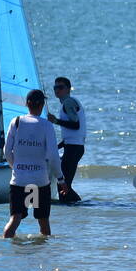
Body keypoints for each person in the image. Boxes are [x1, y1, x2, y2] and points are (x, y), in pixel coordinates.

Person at [3, 89, 63, 238]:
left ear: (26, 104)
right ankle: (43, 257)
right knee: (43, 222)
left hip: (19, 181)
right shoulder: (46, 126)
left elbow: (6, 151)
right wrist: (61, 179)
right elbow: (53, 156)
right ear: (42, 105)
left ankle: (5, 252)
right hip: (39, 182)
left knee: (15, 219)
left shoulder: (16, 122)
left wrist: (15, 167)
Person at [47, 76, 85, 204]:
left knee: (62, 184)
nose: (57, 90)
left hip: (74, 149)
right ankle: (72, 207)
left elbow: (76, 125)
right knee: (64, 184)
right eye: (55, 88)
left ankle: (79, 205)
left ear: (68, 89)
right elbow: (72, 135)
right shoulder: (67, 103)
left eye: (60, 87)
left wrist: (55, 121)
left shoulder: (68, 102)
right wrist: (57, 146)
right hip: (74, 147)